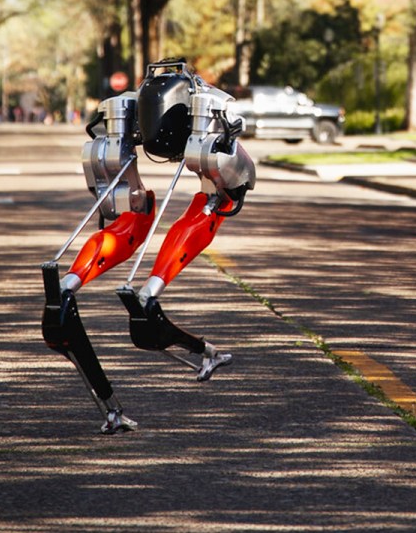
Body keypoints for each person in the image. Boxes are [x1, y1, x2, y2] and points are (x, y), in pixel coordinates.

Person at [40, 58, 256, 434]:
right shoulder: (205, 105)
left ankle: (71, 286)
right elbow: (231, 184)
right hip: (197, 140)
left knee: (133, 211)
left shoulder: (129, 104)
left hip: (133, 131)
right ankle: (147, 297)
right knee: (211, 203)